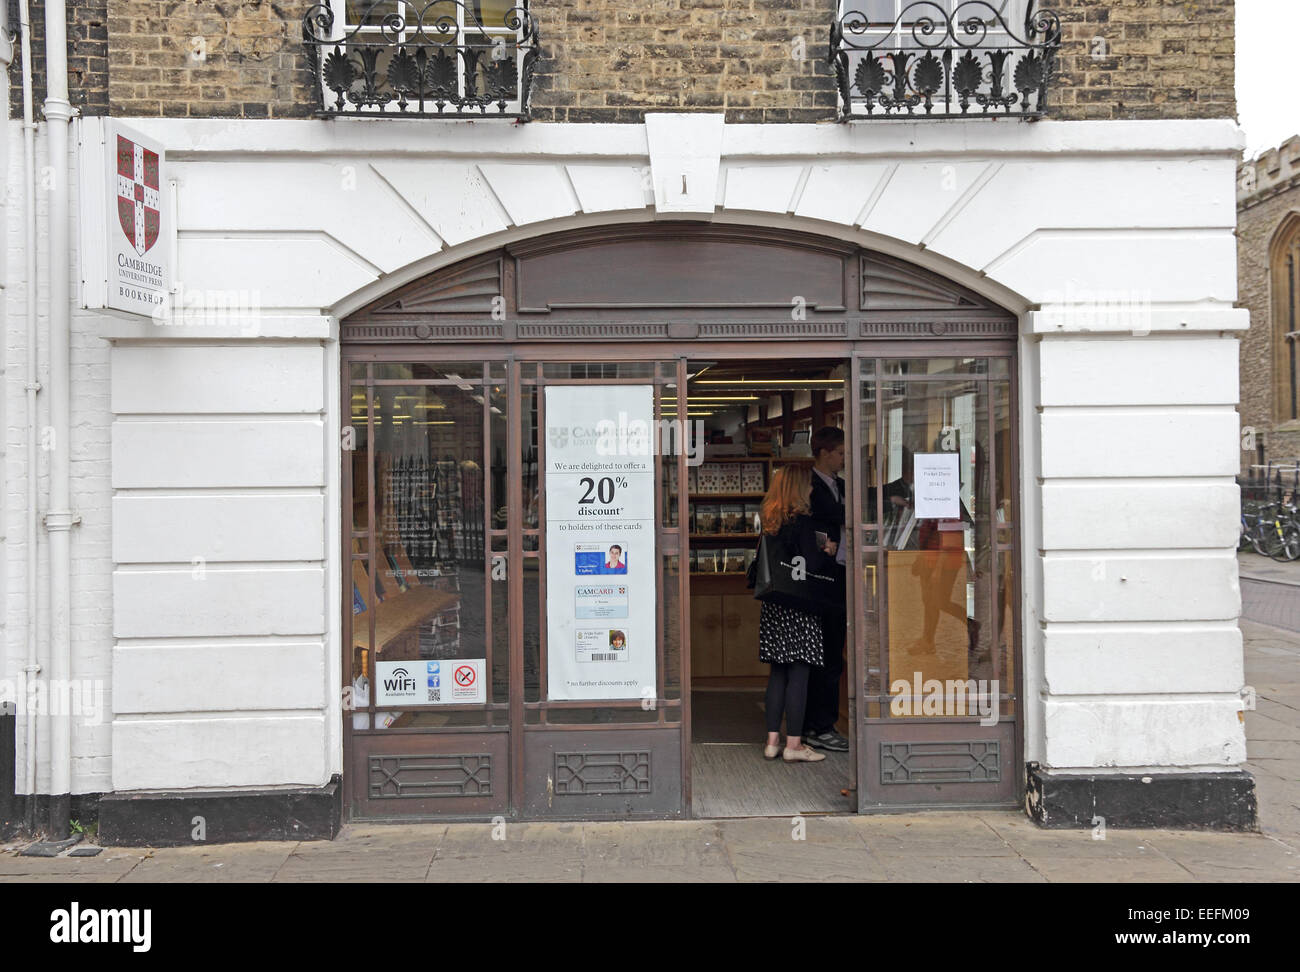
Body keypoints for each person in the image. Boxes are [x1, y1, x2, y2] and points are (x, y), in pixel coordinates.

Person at [757, 465, 839, 763]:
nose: (812, 489)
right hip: (800, 605)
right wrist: (827, 550)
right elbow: (809, 565)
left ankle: (771, 742)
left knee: (778, 673)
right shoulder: (802, 522)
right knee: (800, 673)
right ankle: (794, 746)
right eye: (807, 485)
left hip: (775, 604)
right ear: (797, 488)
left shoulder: (770, 520)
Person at [804, 426, 851, 753]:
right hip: (820, 581)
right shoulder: (808, 487)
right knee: (826, 655)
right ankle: (820, 725)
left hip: (841, 575)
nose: (844, 458)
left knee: (835, 653)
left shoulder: (843, 486)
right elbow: (806, 527)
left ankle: (823, 723)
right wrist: (823, 544)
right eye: (840, 453)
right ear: (823, 452)